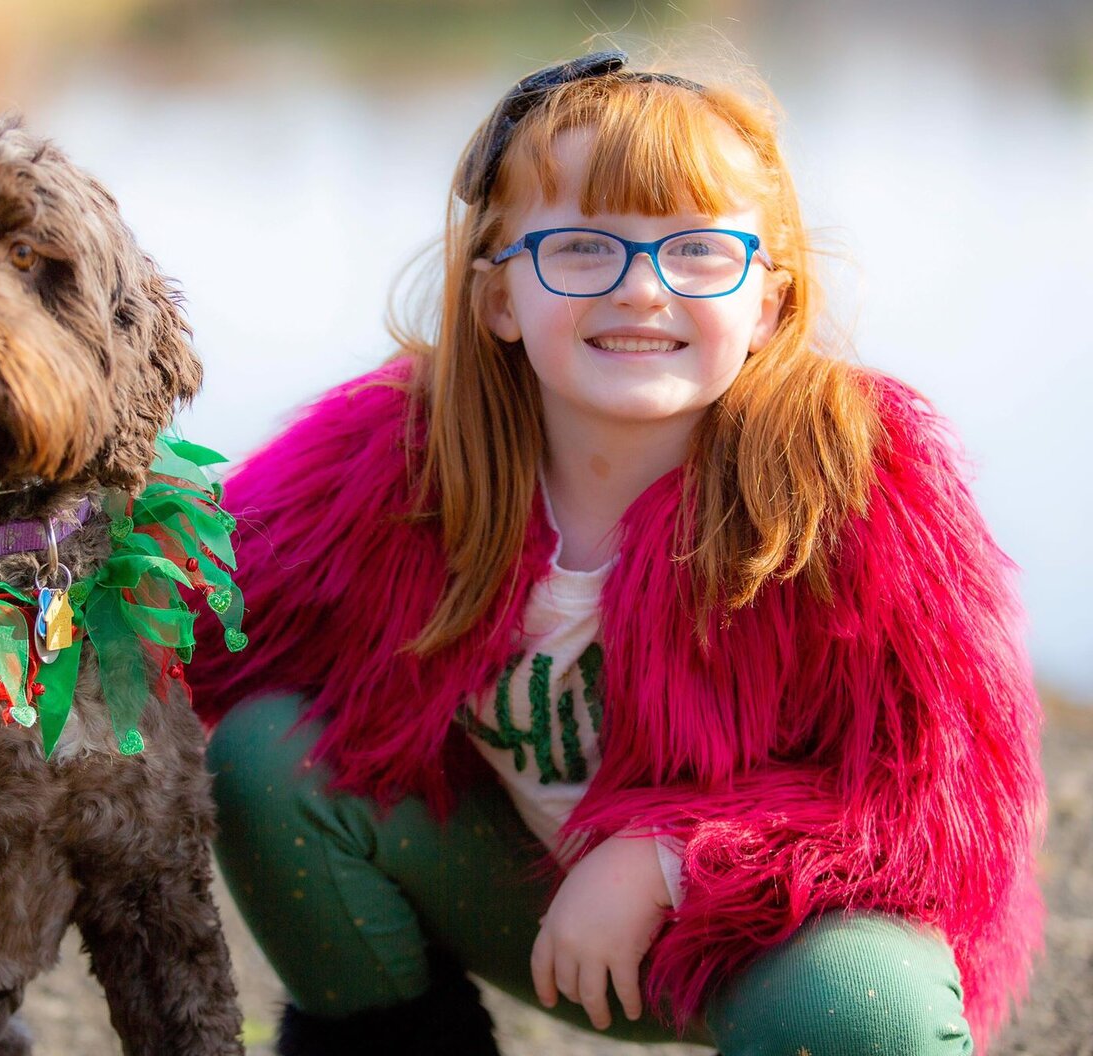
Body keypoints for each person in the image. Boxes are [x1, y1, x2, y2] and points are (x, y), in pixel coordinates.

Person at [186, 50, 1044, 1056]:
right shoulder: (400, 454)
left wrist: (668, 861)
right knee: (267, 755)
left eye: (697, 252)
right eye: (584, 248)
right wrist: (14, 585)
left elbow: (942, 802)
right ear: (498, 296)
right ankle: (397, 1038)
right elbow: (189, 596)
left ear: (768, 299)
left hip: (769, 945)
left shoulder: (863, 480)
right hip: (528, 907)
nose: (642, 288)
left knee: (856, 1011)